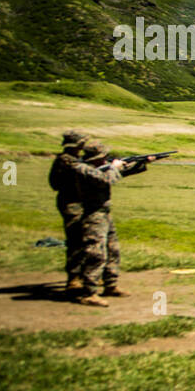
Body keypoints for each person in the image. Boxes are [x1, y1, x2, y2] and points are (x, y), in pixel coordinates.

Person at [66, 140, 128, 307]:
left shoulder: (96, 168)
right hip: (93, 216)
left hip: (104, 214)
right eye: (103, 157)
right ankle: (89, 292)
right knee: (96, 254)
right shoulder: (82, 169)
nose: (105, 159)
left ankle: (110, 285)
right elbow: (105, 180)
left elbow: (114, 175)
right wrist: (114, 167)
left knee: (113, 250)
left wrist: (136, 164)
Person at [47, 129, 90, 292]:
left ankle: (88, 274)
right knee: (76, 240)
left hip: (83, 202)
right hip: (71, 203)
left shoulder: (76, 159)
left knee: (89, 239)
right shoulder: (66, 161)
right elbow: (55, 184)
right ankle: (74, 277)